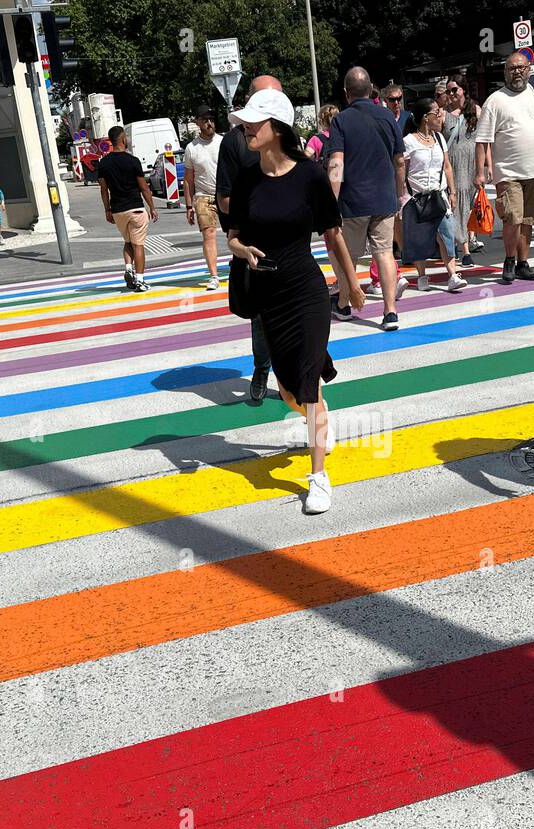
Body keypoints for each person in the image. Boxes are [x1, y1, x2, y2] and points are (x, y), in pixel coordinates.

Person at [226, 88, 365, 515]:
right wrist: (241, 250)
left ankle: (318, 477)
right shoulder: (247, 177)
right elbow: (232, 235)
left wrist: (351, 283)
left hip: (306, 292)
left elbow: (333, 233)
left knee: (306, 386)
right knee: (289, 389)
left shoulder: (310, 176)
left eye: (254, 121)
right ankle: (318, 415)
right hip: (269, 295)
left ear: (278, 128)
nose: (246, 127)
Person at [218, 74, 285, 403]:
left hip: (292, 248)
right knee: (261, 318)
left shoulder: (289, 140)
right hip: (254, 248)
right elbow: (224, 198)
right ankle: (262, 368)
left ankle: (300, 372)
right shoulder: (234, 143)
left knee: (299, 313)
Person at [327, 66, 409, 331]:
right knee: (384, 253)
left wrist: (332, 199)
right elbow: (399, 162)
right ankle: (390, 312)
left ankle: (344, 304)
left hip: (353, 201)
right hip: (384, 199)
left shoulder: (340, 121)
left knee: (347, 256)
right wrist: (398, 194)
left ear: (346, 92)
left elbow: (336, 162)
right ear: (371, 88)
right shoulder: (388, 118)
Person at [475, 51, 534, 284]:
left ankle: (524, 263)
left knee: (529, 219)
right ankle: (509, 260)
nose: (517, 72)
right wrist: (480, 172)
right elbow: (482, 139)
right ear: (505, 72)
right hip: (508, 172)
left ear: (529, 70)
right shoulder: (495, 100)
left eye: (521, 67)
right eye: (512, 68)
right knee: (512, 218)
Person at [401, 97, 468, 293]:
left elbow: (447, 166)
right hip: (417, 197)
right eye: (437, 112)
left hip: (439, 195)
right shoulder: (409, 142)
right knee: (419, 238)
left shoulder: (439, 139)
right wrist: (402, 198)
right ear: (426, 117)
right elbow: (402, 171)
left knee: (447, 233)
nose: (441, 116)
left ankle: (453, 275)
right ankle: (422, 277)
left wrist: (452, 192)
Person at [97, 126, 158, 291]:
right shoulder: (133, 161)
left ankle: (128, 269)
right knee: (138, 245)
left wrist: (107, 209)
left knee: (128, 242)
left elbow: (103, 190)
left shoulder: (104, 163)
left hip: (118, 211)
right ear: (123, 139)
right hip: (136, 209)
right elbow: (144, 188)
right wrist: (152, 207)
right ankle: (139, 280)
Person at [443, 76, 483, 265]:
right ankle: (464, 248)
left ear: (463, 91)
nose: (450, 94)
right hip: (453, 165)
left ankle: (453, 242)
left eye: (454, 90)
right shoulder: (443, 114)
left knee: (468, 207)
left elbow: (484, 141)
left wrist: (486, 167)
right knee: (457, 205)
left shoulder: (476, 110)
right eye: (448, 91)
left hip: (472, 164)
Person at [183, 105, 223, 291]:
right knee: (209, 234)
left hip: (225, 193)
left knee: (237, 232)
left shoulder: (223, 142)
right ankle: (214, 275)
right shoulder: (192, 148)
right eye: (205, 120)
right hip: (203, 197)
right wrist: (189, 206)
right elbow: (188, 179)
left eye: (212, 119)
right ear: (197, 122)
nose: (209, 123)